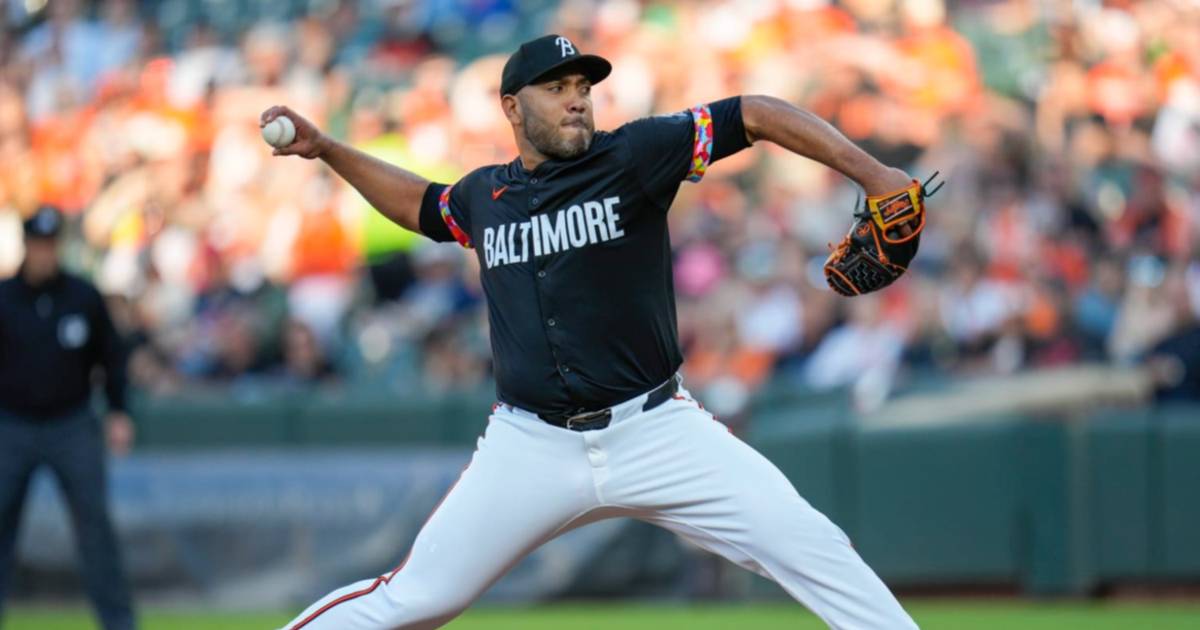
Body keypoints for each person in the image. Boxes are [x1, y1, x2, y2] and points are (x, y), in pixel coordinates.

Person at [264, 34, 919, 630]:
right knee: (417, 600)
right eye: (556, 88)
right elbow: (421, 204)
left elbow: (754, 112)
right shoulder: (485, 198)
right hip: (530, 444)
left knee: (811, 547)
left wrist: (875, 174)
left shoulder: (634, 155)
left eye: (583, 88)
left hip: (658, 430)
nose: (577, 101)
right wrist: (327, 149)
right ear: (513, 109)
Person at [0, 207, 137, 630]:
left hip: (71, 424)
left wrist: (117, 410)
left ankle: (118, 624)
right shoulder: (4, 298)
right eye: (38, 245)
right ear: (26, 246)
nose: (45, 254)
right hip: (11, 425)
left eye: (51, 245)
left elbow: (112, 357)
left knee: (95, 530)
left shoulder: (82, 295)